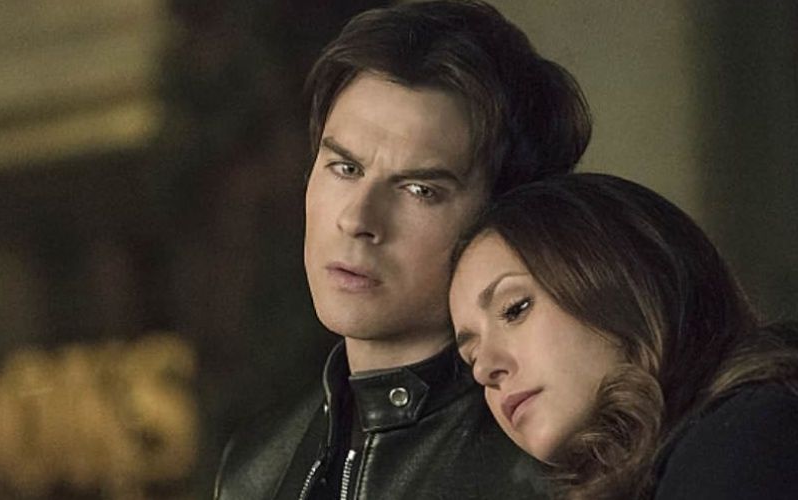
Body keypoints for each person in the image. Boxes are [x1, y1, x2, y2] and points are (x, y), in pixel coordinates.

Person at [214, 1, 591, 499]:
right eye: (346, 168)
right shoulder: (255, 466)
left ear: (503, 220)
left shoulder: (556, 462)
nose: (357, 220)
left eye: (420, 190)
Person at [449, 172, 798, 500]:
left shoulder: (747, 442)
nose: (486, 368)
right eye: (470, 358)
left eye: (515, 309)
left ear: (626, 282)